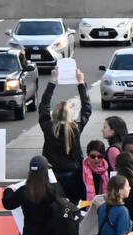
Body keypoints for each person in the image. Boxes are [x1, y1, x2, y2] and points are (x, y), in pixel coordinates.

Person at [38, 71, 92, 203]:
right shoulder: (75, 129)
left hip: (52, 174)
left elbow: (44, 106)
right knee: (72, 207)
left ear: (54, 114)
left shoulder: (48, 128)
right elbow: (87, 109)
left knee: (53, 207)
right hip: (72, 174)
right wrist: (81, 83)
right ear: (70, 115)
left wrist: (52, 81)